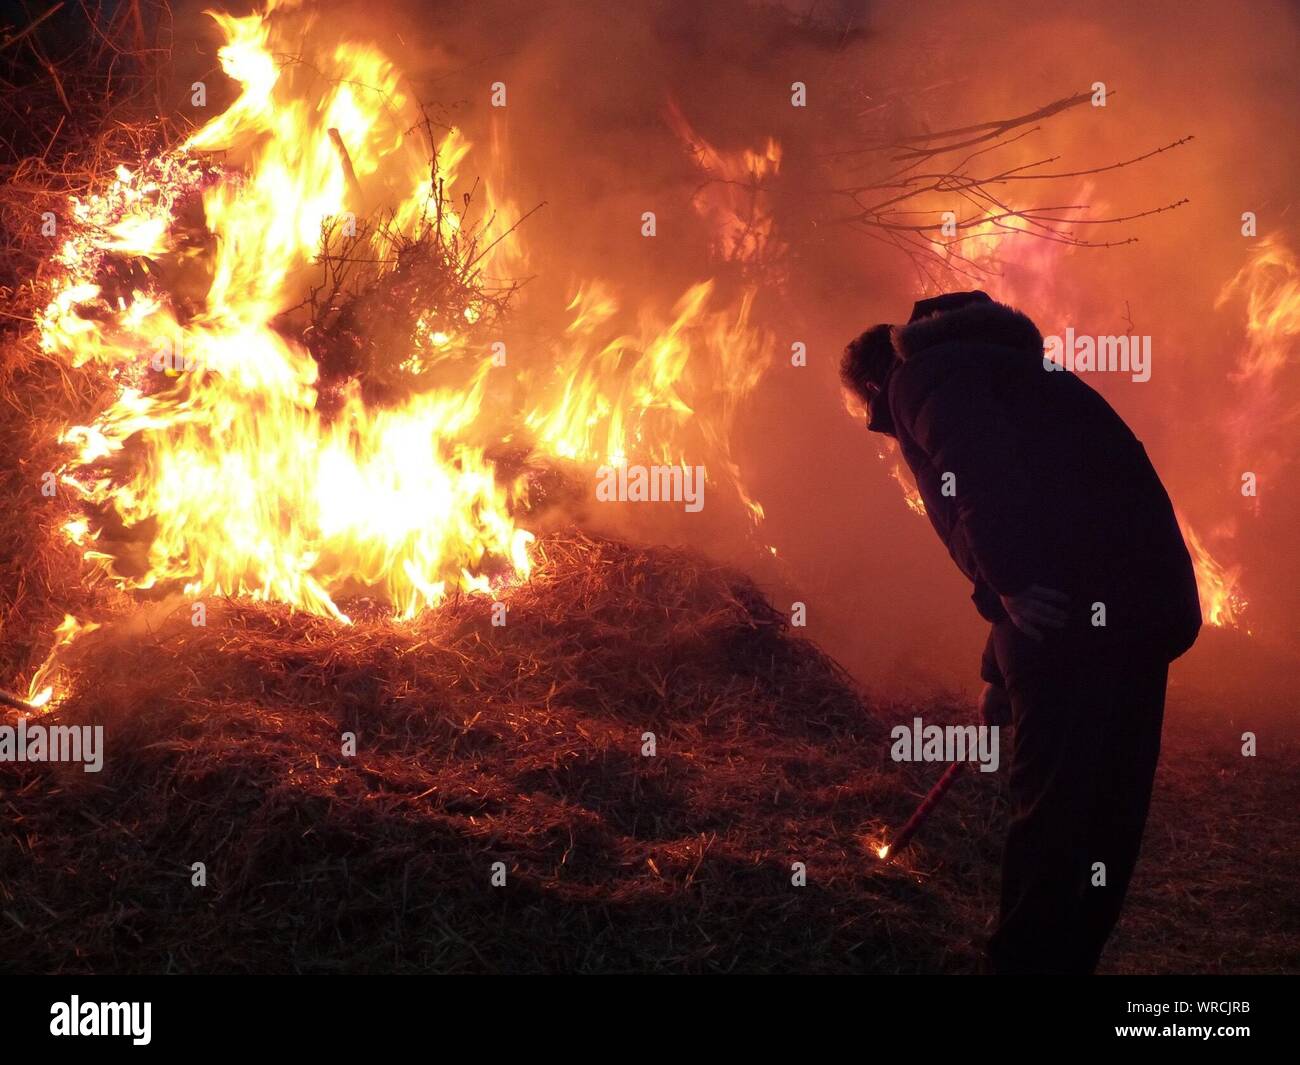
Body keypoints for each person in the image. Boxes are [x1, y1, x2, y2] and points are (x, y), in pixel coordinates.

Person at [841, 291, 1201, 974]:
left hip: (1076, 622)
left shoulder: (923, 377)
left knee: (1055, 809)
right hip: (1144, 603)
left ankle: (1024, 965)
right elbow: (1052, 524)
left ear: (872, 384)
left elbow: (985, 484)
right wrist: (998, 672)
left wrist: (1004, 579)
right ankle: (1066, 961)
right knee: (1110, 805)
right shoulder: (1012, 374)